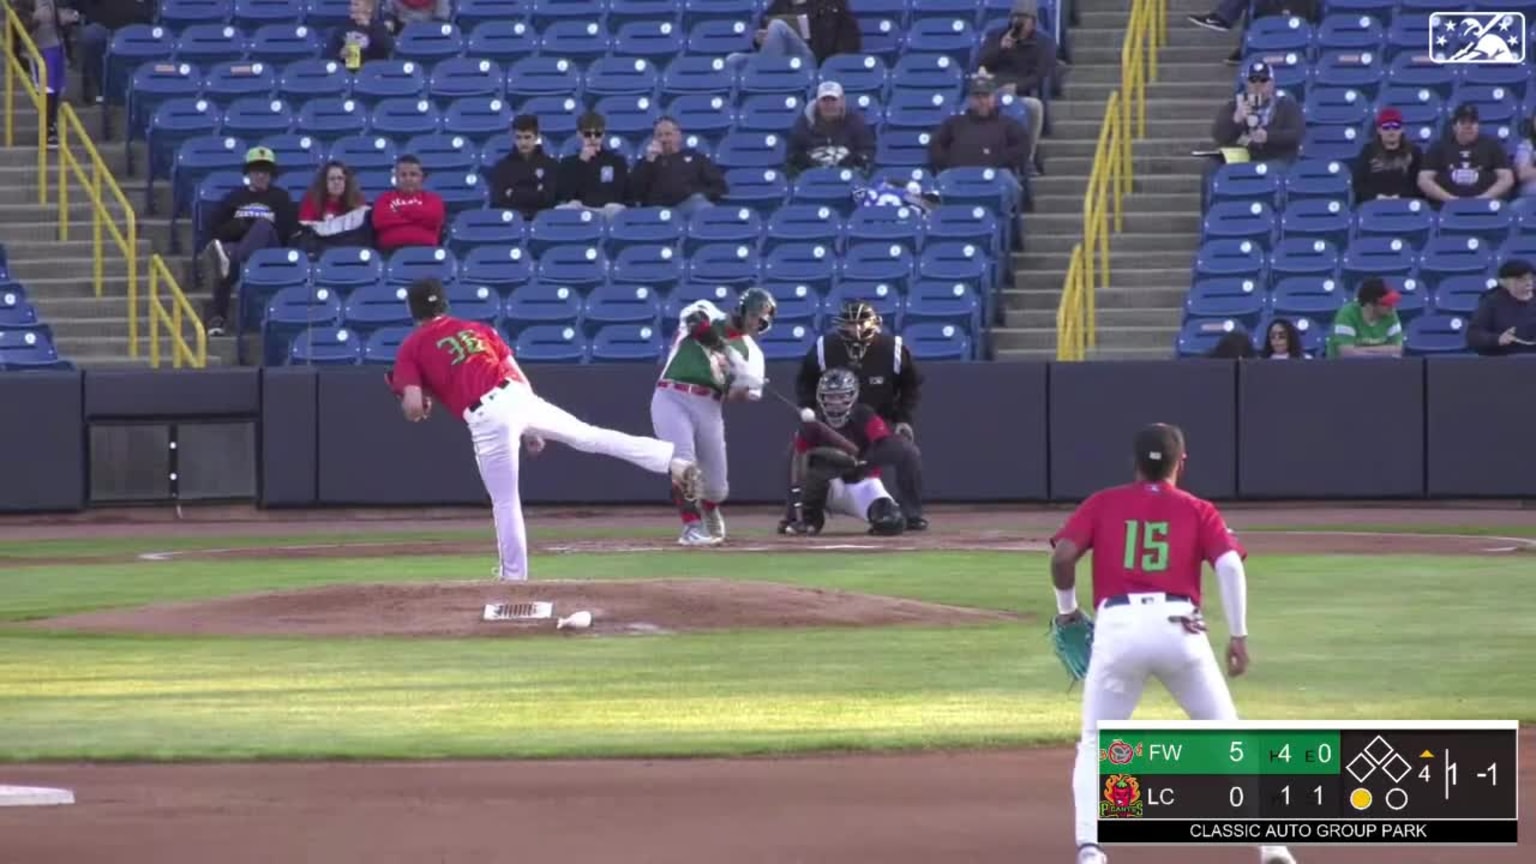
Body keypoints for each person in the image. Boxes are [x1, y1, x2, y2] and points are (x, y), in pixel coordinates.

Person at [1049, 423, 1296, 864]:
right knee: (1228, 736)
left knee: (1095, 743)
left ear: (1136, 463)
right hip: (1180, 627)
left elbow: (1063, 556)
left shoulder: (1103, 502)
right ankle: (1272, 846)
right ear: (1181, 463)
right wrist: (1238, 635)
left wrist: (1067, 609)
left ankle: (1091, 850)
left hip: (1119, 627)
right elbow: (1231, 568)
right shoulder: (1198, 509)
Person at [386, 278, 702, 582]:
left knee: (505, 500)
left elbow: (414, 407)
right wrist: (530, 428)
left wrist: (416, 405)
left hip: (487, 415)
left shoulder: (412, 346)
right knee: (589, 435)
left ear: (412, 311)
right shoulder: (477, 329)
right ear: (444, 302)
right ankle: (674, 462)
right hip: (518, 395)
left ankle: (514, 578)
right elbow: (517, 375)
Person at [651, 288, 775, 546]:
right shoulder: (706, 309)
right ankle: (691, 527)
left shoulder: (753, 354)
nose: (755, 323)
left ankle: (709, 508)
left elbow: (736, 396)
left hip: (709, 404)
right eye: (753, 315)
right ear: (742, 308)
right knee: (683, 463)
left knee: (717, 487)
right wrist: (728, 353)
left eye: (761, 321)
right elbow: (696, 325)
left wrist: (742, 383)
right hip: (671, 395)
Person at [794, 301, 926, 530]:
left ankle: (911, 513)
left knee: (907, 452)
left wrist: (903, 418)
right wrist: (809, 410)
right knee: (799, 457)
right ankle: (805, 516)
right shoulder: (825, 347)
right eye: (850, 324)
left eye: (861, 323)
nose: (855, 330)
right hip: (833, 426)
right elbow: (805, 380)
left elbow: (911, 384)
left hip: (877, 422)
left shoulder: (892, 348)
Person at [779, 368, 906, 536]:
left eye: (841, 396)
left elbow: (887, 446)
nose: (835, 402)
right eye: (831, 397)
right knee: (817, 458)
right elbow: (797, 463)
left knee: (891, 522)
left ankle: (881, 516)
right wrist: (794, 513)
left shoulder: (864, 414)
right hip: (828, 487)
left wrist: (864, 463)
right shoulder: (812, 423)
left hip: (862, 482)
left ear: (852, 395)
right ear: (821, 397)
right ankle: (810, 521)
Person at [200, 146, 298, 336]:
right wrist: (242, 225)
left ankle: (231, 258)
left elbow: (286, 230)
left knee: (262, 226)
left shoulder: (280, 197)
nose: (261, 176)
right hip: (241, 246)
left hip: (271, 251)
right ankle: (218, 319)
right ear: (249, 173)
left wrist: (254, 225)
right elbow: (216, 228)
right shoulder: (234, 197)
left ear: (272, 175)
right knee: (225, 258)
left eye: (265, 172)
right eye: (256, 171)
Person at [929, 75, 1033, 204]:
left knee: (1009, 182)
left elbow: (1022, 147)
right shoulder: (954, 123)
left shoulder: (1007, 124)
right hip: (958, 175)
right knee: (940, 182)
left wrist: (999, 160)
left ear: (994, 98)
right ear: (970, 100)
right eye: (977, 97)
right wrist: (951, 162)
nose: (982, 101)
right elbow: (936, 144)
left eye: (986, 96)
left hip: (996, 174)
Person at [975, 0, 1054, 169]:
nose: (1019, 22)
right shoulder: (996, 36)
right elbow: (981, 63)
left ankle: (1028, 158)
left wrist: (1017, 88)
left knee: (1035, 107)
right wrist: (1001, 48)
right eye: (1016, 17)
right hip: (993, 90)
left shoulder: (1043, 43)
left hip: (1020, 92)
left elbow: (1039, 75)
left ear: (1033, 22)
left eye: (1024, 18)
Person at [627, 117, 728, 215]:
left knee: (702, 207)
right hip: (655, 210)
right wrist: (649, 161)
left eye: (668, 134)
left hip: (687, 207)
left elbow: (719, 186)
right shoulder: (646, 162)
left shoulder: (696, 158)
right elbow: (634, 193)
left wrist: (698, 194)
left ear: (678, 136)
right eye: (659, 135)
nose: (663, 139)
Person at [1418, 103, 1515, 205]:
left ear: (1478, 125)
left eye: (1472, 122)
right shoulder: (1438, 147)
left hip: (1485, 205)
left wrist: (1484, 198)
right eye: (1463, 122)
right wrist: (1450, 200)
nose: (1468, 126)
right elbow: (1424, 180)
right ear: (1454, 126)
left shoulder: (1492, 146)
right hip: (1445, 207)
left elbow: (1507, 178)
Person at [786, 80, 876, 176]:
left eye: (833, 100)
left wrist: (851, 162)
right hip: (813, 176)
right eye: (824, 100)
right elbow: (793, 154)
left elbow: (867, 149)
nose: (829, 105)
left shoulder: (855, 121)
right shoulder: (803, 123)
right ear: (817, 102)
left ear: (842, 101)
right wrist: (808, 164)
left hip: (847, 175)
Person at [73, 0, 153, 104]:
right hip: (106, 29)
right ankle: (105, 90)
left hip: (140, 32)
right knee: (91, 35)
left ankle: (145, 91)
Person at [556, 111, 629, 219]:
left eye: (598, 134)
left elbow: (620, 194)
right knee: (566, 208)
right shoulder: (568, 163)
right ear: (579, 135)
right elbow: (566, 194)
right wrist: (581, 163)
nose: (593, 138)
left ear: (603, 135)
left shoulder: (616, 161)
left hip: (606, 211)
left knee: (616, 208)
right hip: (580, 211)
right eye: (588, 134)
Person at [294, 160, 372, 257]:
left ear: (346, 181)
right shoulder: (312, 199)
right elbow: (306, 227)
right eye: (332, 179)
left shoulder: (357, 199)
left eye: (340, 178)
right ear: (324, 182)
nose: (336, 182)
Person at [489, 114, 561, 220]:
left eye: (527, 137)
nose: (523, 142)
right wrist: (537, 192)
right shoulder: (502, 167)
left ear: (536, 137)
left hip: (545, 222)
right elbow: (497, 201)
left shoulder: (551, 165)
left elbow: (550, 199)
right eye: (519, 137)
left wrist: (513, 193)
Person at [371, 154, 445, 253]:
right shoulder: (383, 199)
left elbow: (434, 218)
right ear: (396, 178)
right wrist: (418, 216)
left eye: (413, 174)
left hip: (427, 252)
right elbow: (379, 221)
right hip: (390, 253)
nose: (408, 179)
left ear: (421, 177)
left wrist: (400, 211)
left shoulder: (433, 199)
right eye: (403, 175)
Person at [1351, 107, 1423, 202]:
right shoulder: (1368, 151)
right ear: (1379, 130)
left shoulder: (1414, 152)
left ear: (1402, 129)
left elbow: (1420, 184)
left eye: (1395, 126)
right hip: (1374, 204)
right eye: (1386, 127)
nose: (1391, 131)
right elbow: (1358, 183)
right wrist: (1377, 197)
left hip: (1406, 205)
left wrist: (1401, 197)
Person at [1466, 259, 1536, 356]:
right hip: (1503, 362)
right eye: (1521, 279)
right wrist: (1497, 339)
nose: (1529, 283)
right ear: (1504, 282)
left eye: (1531, 278)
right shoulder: (1491, 301)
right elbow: (1474, 336)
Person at [1325, 278, 1403, 358]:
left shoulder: (1390, 314)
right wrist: (1385, 352)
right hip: (1343, 367)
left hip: (1378, 366)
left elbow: (1397, 349)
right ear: (1370, 304)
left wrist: (1359, 350)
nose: (1392, 307)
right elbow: (1347, 353)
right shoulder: (1347, 314)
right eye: (1386, 303)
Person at [327, 0, 394, 72]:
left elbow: (387, 49)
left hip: (373, 73)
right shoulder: (343, 28)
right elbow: (329, 58)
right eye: (351, 5)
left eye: (356, 5)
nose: (351, 8)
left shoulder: (379, 27)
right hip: (348, 73)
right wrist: (341, 55)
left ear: (369, 8)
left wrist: (367, 27)